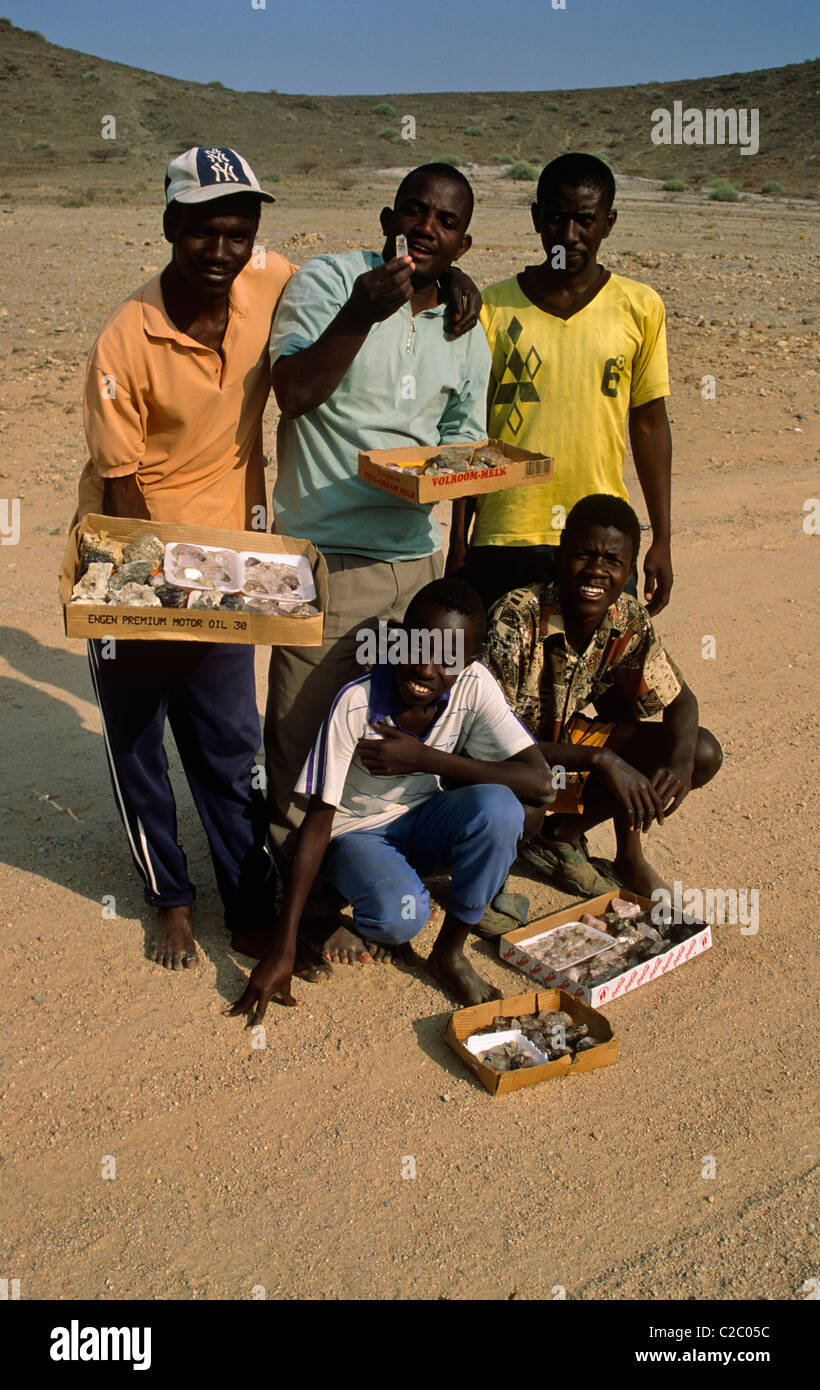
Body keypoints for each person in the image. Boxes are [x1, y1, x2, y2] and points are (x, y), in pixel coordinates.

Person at [76, 145, 317, 974]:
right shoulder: (124, 339)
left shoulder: (266, 280)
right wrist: (160, 595)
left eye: (239, 233)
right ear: (170, 225)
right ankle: (169, 899)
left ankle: (248, 907)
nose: (223, 251)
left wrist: (435, 283)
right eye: (204, 232)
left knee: (227, 744)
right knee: (139, 742)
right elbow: (122, 485)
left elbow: (348, 286)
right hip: (129, 559)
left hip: (230, 564)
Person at [264, 163, 492, 966]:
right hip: (320, 555)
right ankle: (299, 902)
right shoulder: (329, 281)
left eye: (447, 221)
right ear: (390, 215)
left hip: (413, 561)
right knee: (298, 733)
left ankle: (381, 867)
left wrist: (454, 560)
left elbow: (467, 446)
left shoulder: (466, 324)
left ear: (463, 241)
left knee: (397, 729)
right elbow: (290, 393)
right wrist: (364, 312)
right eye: (416, 212)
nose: (428, 227)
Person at [229, 579, 549, 1021]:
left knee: (503, 809)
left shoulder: (476, 684)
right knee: (400, 919)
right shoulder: (356, 702)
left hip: (422, 819)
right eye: (419, 646)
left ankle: (449, 954)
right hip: (357, 833)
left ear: (471, 661)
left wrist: (427, 759)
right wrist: (284, 949)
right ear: (397, 640)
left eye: (449, 656)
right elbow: (319, 823)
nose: (426, 668)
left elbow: (540, 783)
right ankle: (383, 893)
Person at [449, 153, 674, 616]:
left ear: (608, 223)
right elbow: (469, 430)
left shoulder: (639, 306)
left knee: (595, 682)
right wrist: (459, 538)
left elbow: (650, 426)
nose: (568, 236)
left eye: (585, 220)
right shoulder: (493, 307)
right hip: (505, 534)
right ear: (536, 218)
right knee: (504, 681)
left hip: (601, 539)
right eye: (556, 218)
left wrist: (662, 539)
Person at [481, 495, 722, 899]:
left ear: (628, 569)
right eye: (584, 555)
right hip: (506, 764)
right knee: (527, 802)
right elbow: (491, 741)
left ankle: (566, 835)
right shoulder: (517, 615)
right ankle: (496, 863)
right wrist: (602, 759)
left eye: (612, 561)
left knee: (701, 751)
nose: (596, 571)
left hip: (562, 749)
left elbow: (681, 700)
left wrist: (679, 766)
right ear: (561, 556)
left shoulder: (626, 617)